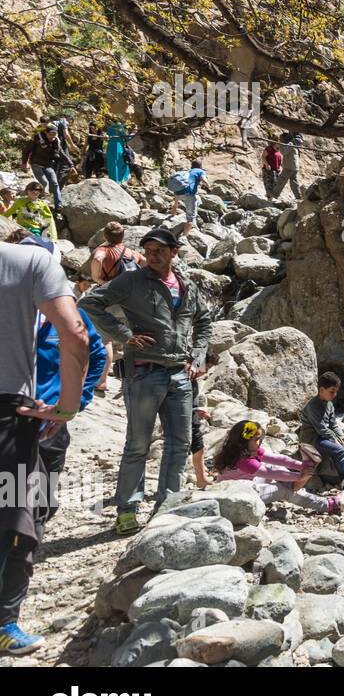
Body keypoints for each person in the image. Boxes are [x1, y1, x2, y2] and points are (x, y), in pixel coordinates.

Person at [79, 227, 213, 536]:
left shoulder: (187, 285)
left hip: (180, 374)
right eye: (149, 250)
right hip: (143, 372)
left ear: (173, 252)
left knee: (179, 443)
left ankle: (166, 506)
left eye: (160, 250)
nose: (153, 255)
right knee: (138, 444)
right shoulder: (132, 281)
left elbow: (204, 321)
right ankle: (126, 511)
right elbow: (89, 302)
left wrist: (198, 354)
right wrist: (125, 335)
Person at [0, 286, 105, 655]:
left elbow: (93, 349)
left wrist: (73, 402)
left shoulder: (65, 311)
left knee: (39, 511)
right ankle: (6, 618)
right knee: (15, 518)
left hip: (48, 428)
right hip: (11, 425)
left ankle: (9, 607)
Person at [213, 421, 344, 514]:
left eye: (260, 438)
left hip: (244, 485)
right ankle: (328, 505)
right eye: (256, 439)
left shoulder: (244, 450)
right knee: (283, 490)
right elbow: (271, 474)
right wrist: (301, 476)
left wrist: (302, 466)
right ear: (244, 442)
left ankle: (296, 487)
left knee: (272, 465)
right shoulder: (244, 462)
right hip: (237, 497)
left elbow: (277, 459)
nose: (260, 442)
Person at [90, 221, 145, 393]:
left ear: (105, 236)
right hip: (132, 303)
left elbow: (97, 259)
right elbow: (146, 264)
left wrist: (97, 278)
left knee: (105, 341)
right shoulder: (132, 253)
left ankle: (102, 381)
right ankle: (131, 383)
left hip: (110, 302)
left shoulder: (103, 250)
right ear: (123, 237)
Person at [21, 127, 70, 209]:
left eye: (54, 135)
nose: (52, 137)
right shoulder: (37, 139)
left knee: (55, 183)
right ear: (46, 133)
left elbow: (62, 154)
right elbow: (26, 150)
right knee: (44, 182)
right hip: (36, 164)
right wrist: (24, 163)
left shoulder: (56, 142)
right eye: (50, 134)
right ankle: (38, 200)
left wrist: (70, 164)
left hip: (48, 165)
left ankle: (58, 204)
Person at [169, 159, 210, 243]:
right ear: (201, 166)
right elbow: (203, 179)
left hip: (178, 193)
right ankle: (184, 237)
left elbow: (180, 189)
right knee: (190, 218)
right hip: (188, 195)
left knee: (197, 199)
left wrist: (175, 207)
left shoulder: (187, 172)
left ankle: (192, 219)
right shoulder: (200, 171)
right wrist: (208, 185)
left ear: (191, 166)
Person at [190, 364, 212, 489]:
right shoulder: (184, 380)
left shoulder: (193, 381)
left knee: (199, 448)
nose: (204, 372)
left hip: (193, 419)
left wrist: (197, 410)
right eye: (206, 368)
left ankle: (201, 479)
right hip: (183, 421)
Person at [272, 132, 303, 200]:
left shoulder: (290, 144)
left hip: (289, 167)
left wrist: (280, 145)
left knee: (281, 180)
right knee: (294, 182)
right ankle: (299, 197)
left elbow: (283, 152)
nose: (280, 140)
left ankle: (274, 195)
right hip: (294, 166)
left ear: (284, 138)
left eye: (281, 139)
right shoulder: (293, 144)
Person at [104, 119, 130, 183]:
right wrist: (133, 133)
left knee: (111, 164)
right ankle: (120, 180)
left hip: (110, 146)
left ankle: (113, 180)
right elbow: (127, 138)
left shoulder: (109, 126)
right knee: (120, 163)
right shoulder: (119, 126)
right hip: (118, 146)